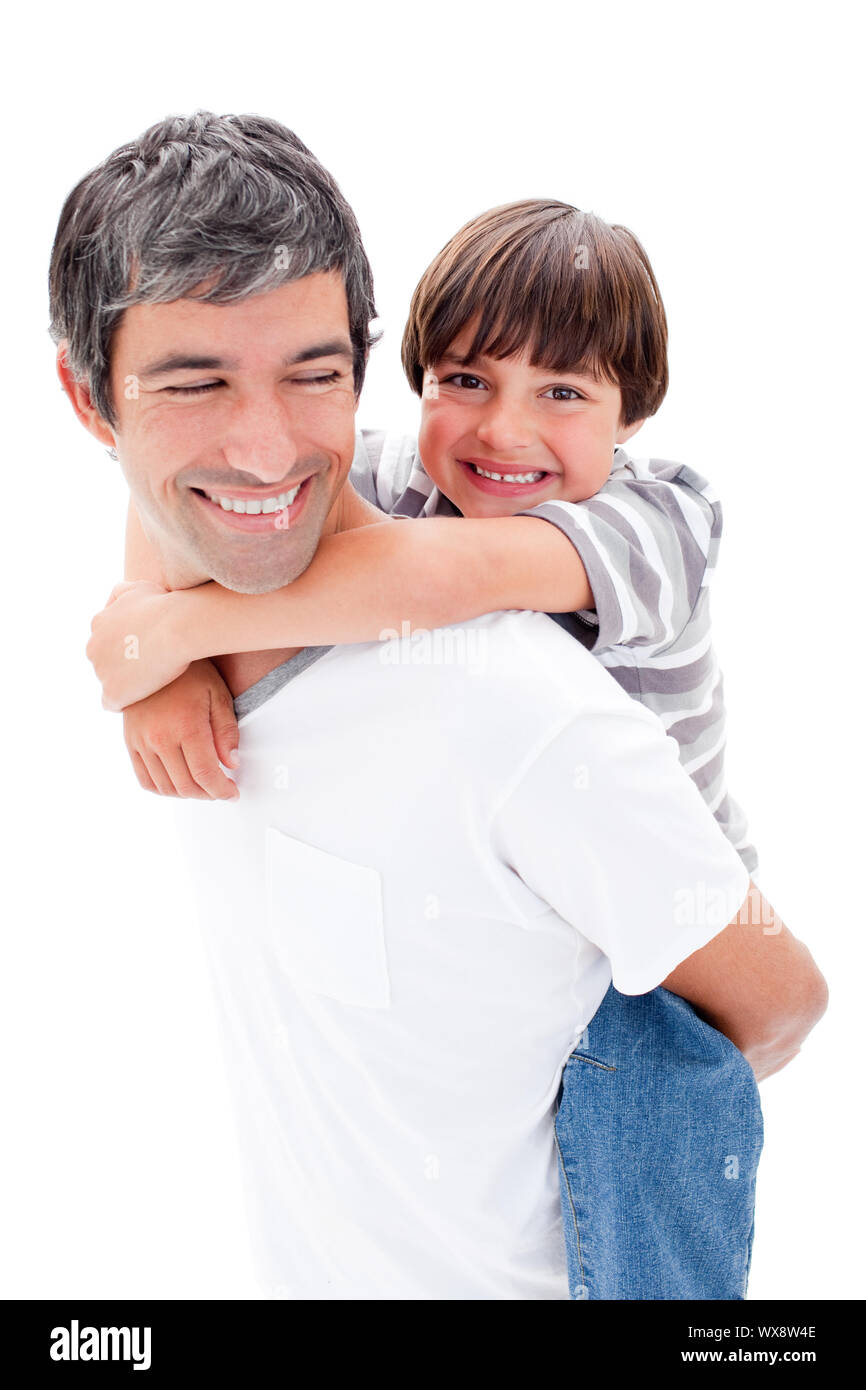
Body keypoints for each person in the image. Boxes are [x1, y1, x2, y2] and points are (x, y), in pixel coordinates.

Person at [56, 112, 828, 1299]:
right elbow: (183, 502)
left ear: (632, 416)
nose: (504, 432)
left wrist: (182, 629)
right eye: (464, 380)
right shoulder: (400, 477)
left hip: (665, 945)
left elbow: (445, 581)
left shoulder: (651, 526)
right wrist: (161, 668)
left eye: (563, 391)